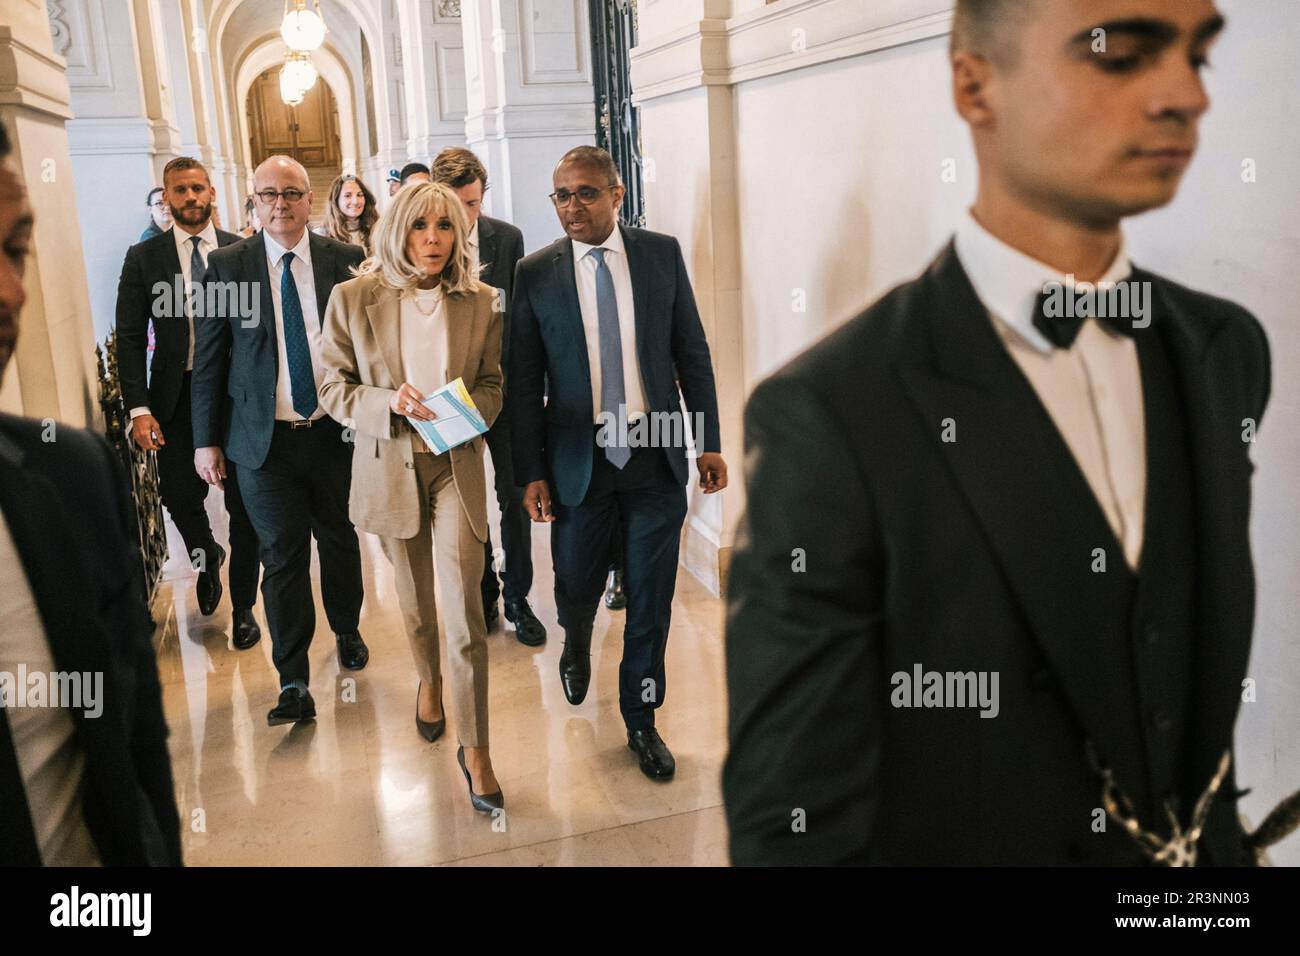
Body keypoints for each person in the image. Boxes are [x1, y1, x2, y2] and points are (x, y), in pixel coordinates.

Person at [724, 0, 1269, 866]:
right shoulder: (830, 415)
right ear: (975, 85)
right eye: (1123, 53)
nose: (1186, 96)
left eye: (1198, 57)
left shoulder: (1224, 350)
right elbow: (793, 821)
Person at [508, 146, 727, 781]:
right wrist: (532, 473)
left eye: (585, 193)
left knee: (651, 601)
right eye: (561, 196)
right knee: (576, 583)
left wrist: (707, 437)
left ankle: (642, 718)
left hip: (654, 457)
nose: (572, 207)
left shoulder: (660, 255)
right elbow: (523, 383)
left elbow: (692, 350)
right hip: (579, 461)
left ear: (617, 194)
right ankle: (576, 642)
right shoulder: (537, 272)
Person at [0, 118, 181, 866]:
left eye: (14, 249)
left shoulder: (68, 476)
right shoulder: (145, 259)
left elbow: (137, 741)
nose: (12, 290)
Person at [319, 182, 505, 813]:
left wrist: (469, 413)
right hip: (391, 463)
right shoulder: (352, 297)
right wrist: (384, 402)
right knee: (418, 605)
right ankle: (427, 678)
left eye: (446, 226)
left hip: (455, 464)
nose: (434, 238)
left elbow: (492, 384)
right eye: (421, 226)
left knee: (464, 611)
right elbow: (331, 387)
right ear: (398, 230)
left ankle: (476, 749)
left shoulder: (480, 300)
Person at [191, 154, 370, 727]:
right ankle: (292, 678)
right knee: (282, 555)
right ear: (253, 203)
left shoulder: (345, 260)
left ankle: (347, 627)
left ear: (309, 200)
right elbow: (211, 359)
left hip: (335, 434)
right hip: (262, 443)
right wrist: (205, 441)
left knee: (339, 537)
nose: (280, 204)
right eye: (267, 194)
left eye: (291, 193)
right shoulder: (227, 266)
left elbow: (367, 346)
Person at [115, 157, 261, 648]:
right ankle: (205, 552)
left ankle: (244, 608)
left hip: (236, 394)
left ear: (212, 193)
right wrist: (139, 408)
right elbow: (131, 337)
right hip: (175, 393)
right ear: (167, 196)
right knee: (179, 493)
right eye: (181, 190)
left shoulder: (244, 251)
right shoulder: (146, 257)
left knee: (244, 504)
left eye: (198, 188)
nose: (191, 197)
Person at [430, 146, 544, 646]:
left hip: (507, 388)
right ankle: (483, 592)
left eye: (472, 204)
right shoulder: (425, 241)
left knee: (515, 496)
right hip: (451, 395)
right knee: (465, 501)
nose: (464, 215)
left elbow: (519, 317)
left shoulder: (508, 238)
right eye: (455, 205)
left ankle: (518, 594)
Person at [313, 173, 378, 255]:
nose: (355, 201)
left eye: (360, 195)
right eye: (348, 196)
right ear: (336, 200)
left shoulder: (378, 229)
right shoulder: (320, 235)